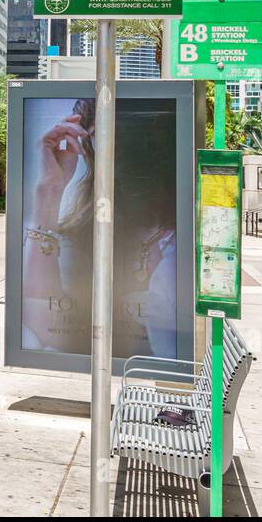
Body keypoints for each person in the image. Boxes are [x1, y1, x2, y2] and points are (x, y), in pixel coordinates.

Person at [22, 97, 178, 359]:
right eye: (98, 135)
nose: (117, 147)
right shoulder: (82, 231)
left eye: (126, 132)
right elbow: (42, 321)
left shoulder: (184, 233)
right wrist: (49, 190)